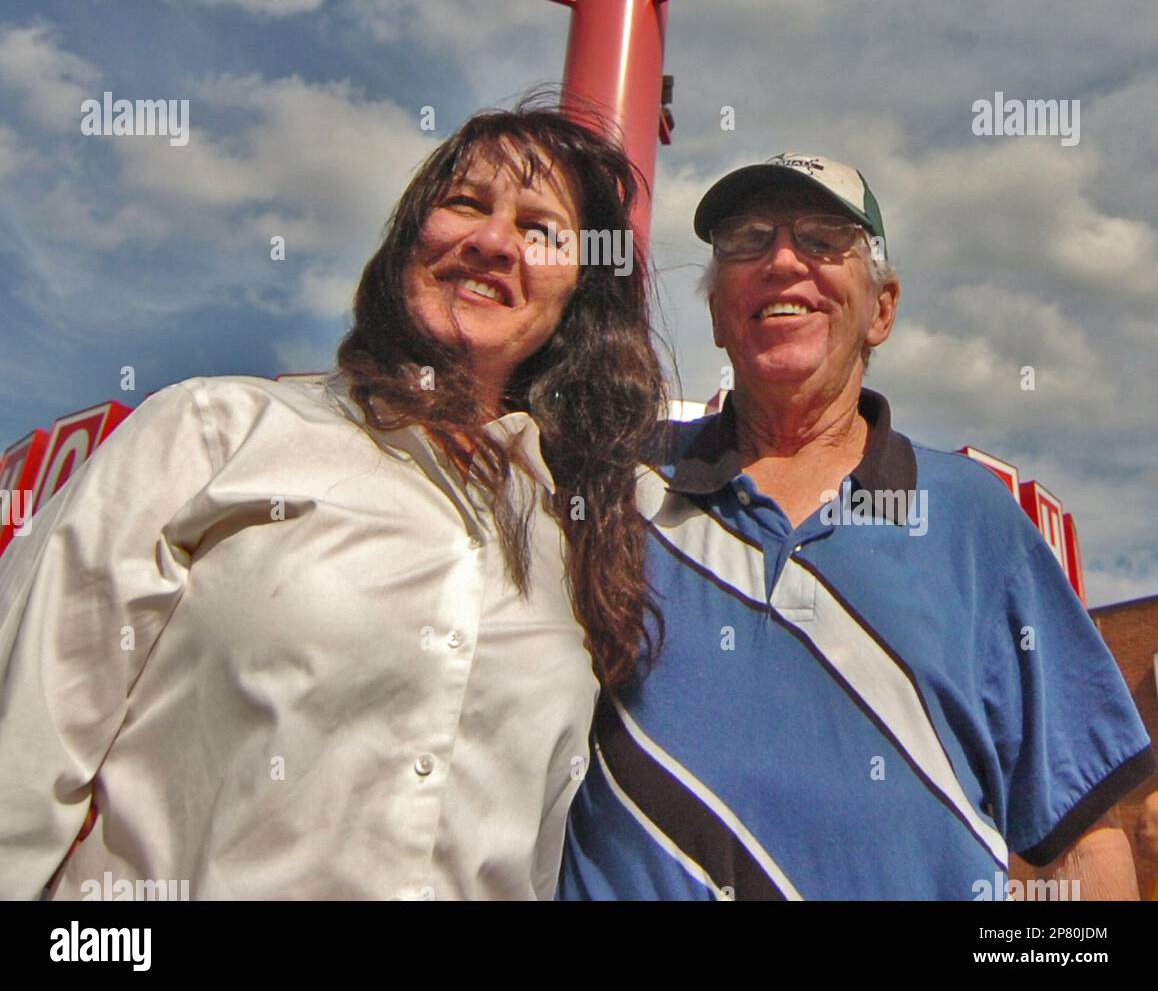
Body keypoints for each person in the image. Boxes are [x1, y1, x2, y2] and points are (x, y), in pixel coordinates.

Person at [0, 104, 666, 901]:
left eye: (539, 228)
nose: (492, 241)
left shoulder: (583, 538)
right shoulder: (214, 431)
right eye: (464, 204)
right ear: (408, 238)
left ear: (577, 299)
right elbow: (24, 741)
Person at [557, 151, 1156, 900]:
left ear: (882, 308)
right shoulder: (612, 485)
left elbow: (1085, 844)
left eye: (822, 238)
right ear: (715, 313)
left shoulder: (975, 520)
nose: (781, 260)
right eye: (747, 239)